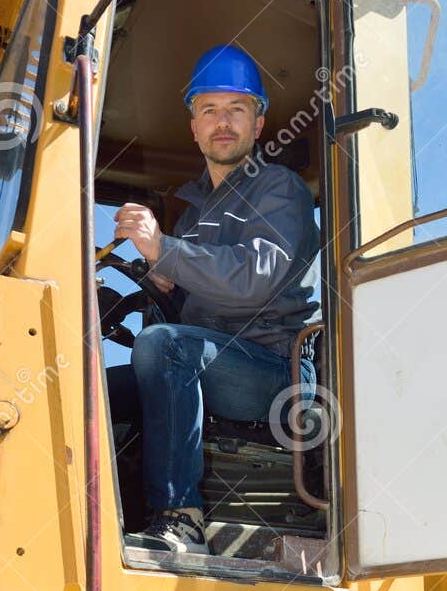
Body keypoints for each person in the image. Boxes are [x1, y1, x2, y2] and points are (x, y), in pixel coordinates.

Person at [110, 43, 319, 556]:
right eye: (209, 110)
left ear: (258, 123)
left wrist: (165, 250)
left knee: (165, 348)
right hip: (210, 358)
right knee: (87, 386)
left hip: (276, 371)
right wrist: (162, 280)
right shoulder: (194, 213)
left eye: (236, 109)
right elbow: (195, 300)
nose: (222, 122)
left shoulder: (280, 190)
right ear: (194, 127)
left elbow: (253, 280)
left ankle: (182, 520)